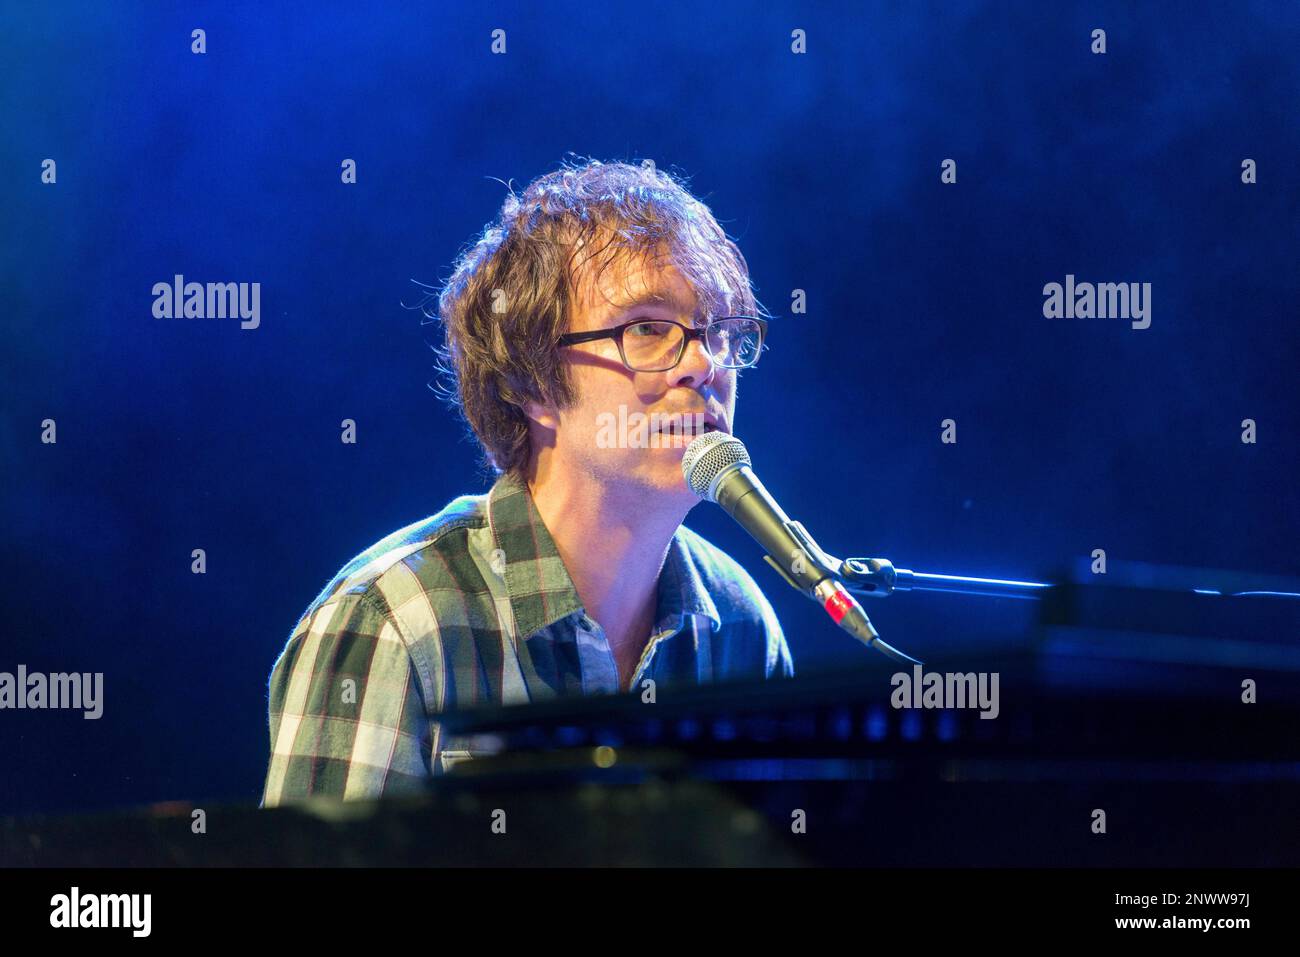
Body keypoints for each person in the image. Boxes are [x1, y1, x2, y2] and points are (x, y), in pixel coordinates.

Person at [261, 157, 792, 805]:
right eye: (650, 329)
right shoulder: (394, 620)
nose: (704, 363)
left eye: (720, 332)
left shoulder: (740, 626)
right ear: (530, 383)